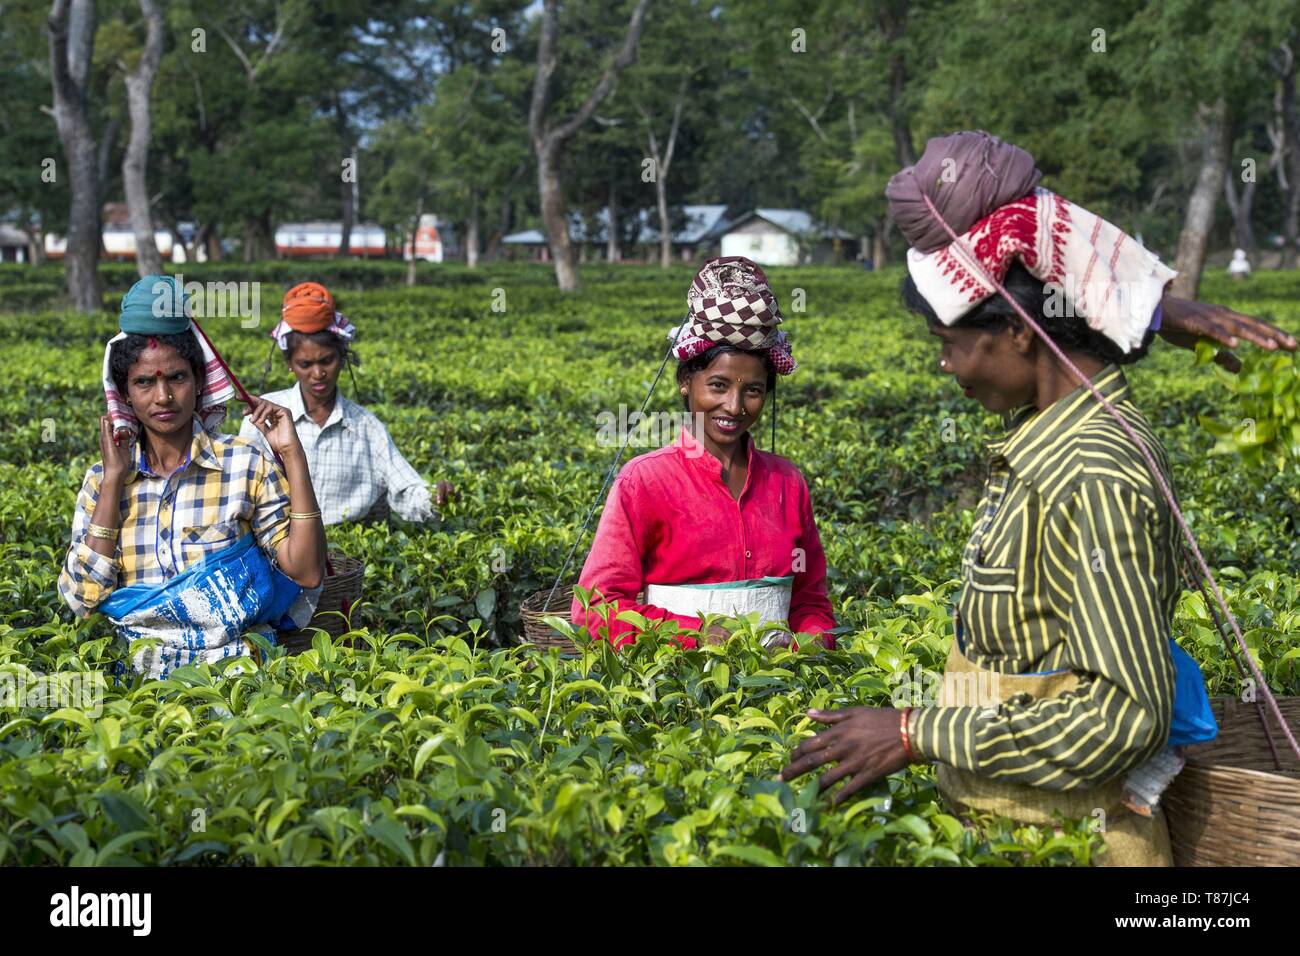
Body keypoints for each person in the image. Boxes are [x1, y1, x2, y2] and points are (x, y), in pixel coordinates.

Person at [781, 132, 1258, 867]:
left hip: (1072, 845)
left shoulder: (1094, 471)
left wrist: (914, 732)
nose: (945, 366)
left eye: (948, 343)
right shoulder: (1043, 432)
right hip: (1010, 834)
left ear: (1014, 331)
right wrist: (1159, 313)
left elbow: (1121, 716)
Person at [57, 275, 326, 678]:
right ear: (125, 392)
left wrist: (292, 454)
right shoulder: (101, 482)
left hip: (236, 679)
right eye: (144, 382)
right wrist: (114, 480)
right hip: (136, 684)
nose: (163, 397)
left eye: (176, 378)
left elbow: (305, 571)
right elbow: (83, 599)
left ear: (199, 381)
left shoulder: (245, 464)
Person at [571, 257, 837, 650]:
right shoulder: (644, 481)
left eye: (753, 390)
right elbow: (596, 608)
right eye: (718, 386)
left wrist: (811, 644)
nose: (734, 406)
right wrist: (695, 634)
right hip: (676, 684)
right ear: (685, 382)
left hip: (784, 680)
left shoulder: (787, 482)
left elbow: (809, 601)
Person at [239, 281, 453, 525]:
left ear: (342, 358)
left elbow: (405, 489)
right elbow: (242, 487)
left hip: (350, 544)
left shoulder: (366, 427)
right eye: (305, 364)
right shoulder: (265, 416)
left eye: (326, 361)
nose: (318, 373)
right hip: (281, 543)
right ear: (290, 364)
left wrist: (436, 498)